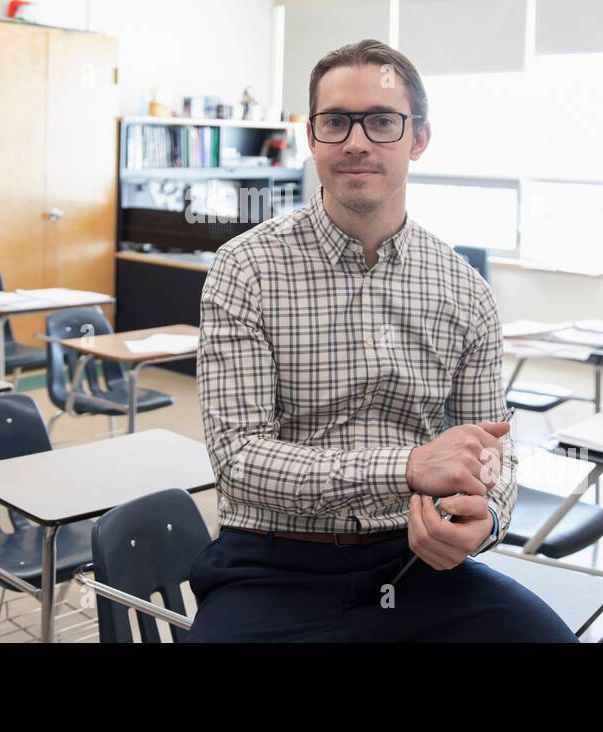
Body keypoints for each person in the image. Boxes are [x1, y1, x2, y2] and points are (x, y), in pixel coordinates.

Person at [186, 39, 575, 642]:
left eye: (382, 122)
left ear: (418, 138)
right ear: (311, 137)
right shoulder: (246, 269)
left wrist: (487, 517)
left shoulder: (465, 290)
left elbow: (492, 451)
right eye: (336, 122)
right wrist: (410, 466)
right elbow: (238, 460)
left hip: (419, 563)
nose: (357, 141)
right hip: (271, 566)